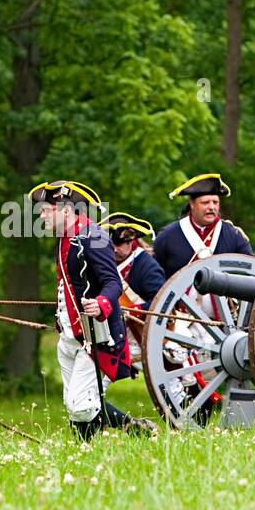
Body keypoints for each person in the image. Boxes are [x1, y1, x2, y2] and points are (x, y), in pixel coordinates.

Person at [29, 181, 157, 440]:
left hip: (97, 336)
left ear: (65, 211)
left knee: (82, 406)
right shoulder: (65, 237)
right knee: (76, 404)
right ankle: (126, 433)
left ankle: (107, 442)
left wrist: (101, 303)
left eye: (45, 209)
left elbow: (111, 282)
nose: (41, 215)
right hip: (70, 336)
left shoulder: (94, 235)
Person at [151, 173, 254, 425]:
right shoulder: (169, 237)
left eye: (215, 203)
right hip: (183, 317)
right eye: (206, 203)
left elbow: (252, 272)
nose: (211, 208)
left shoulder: (232, 235)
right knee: (178, 358)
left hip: (226, 318)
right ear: (192, 205)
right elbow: (155, 275)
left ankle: (226, 410)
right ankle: (192, 405)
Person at [98, 212, 165, 367]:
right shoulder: (105, 263)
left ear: (130, 241)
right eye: (110, 244)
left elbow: (162, 302)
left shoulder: (146, 266)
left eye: (118, 244)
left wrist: (135, 310)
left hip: (143, 333)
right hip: (116, 332)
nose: (114, 249)